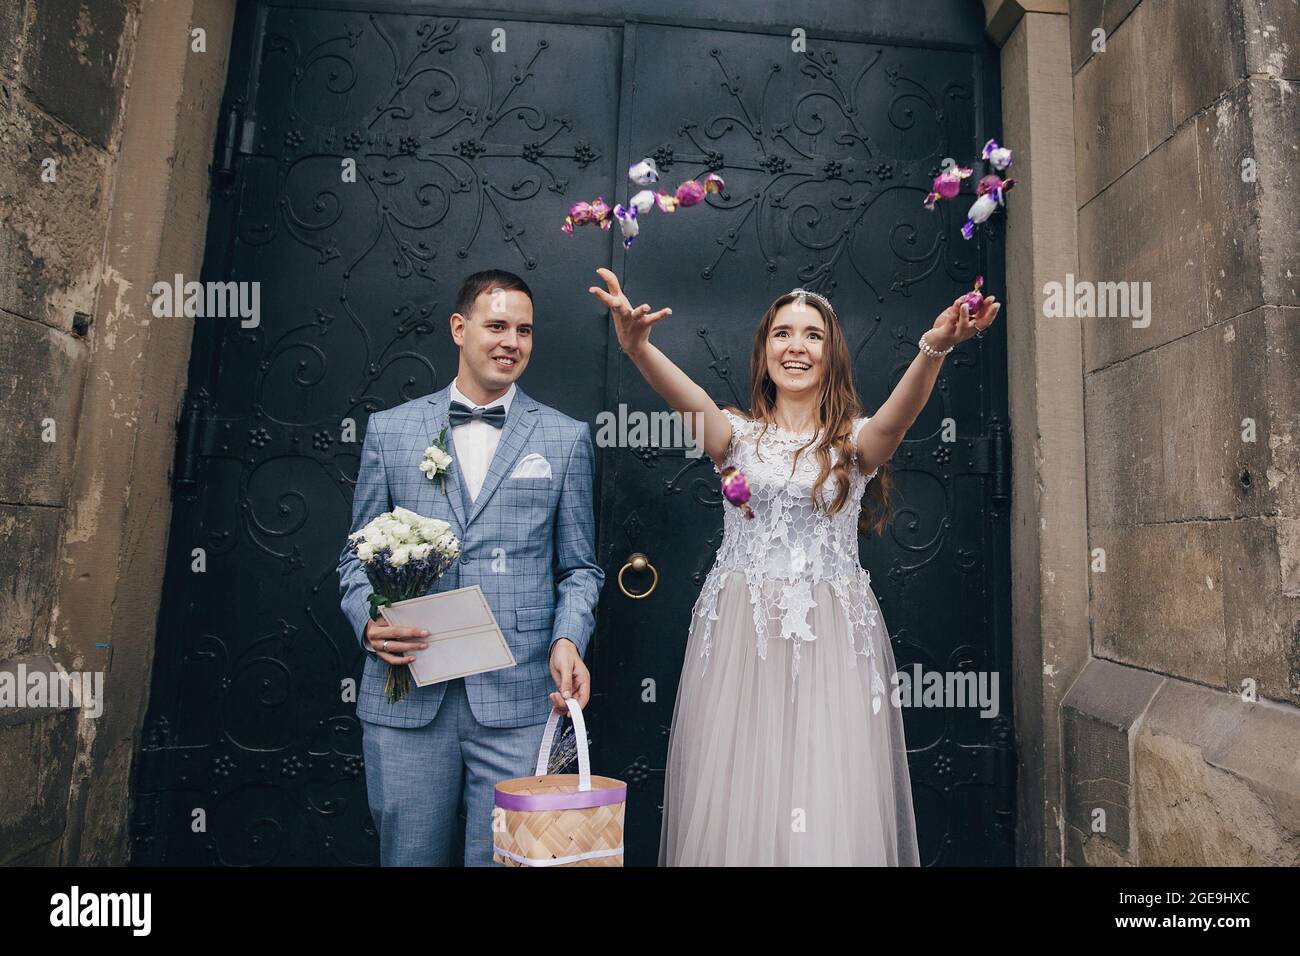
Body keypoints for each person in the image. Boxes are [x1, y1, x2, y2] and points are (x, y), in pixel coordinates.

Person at [589, 267, 999, 865]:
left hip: (830, 636)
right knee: (742, 780)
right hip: (742, 637)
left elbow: (899, 419)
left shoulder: (854, 444)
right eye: (783, 333)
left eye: (813, 335)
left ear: (831, 355)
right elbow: (686, 397)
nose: (797, 347)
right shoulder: (735, 436)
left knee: (823, 778)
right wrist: (639, 347)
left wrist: (934, 348)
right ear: (765, 352)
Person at [338, 270, 604, 866]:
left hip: (517, 698)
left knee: (507, 862)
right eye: (497, 326)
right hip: (406, 696)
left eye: (525, 330)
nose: (512, 341)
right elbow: (352, 557)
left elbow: (581, 568)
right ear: (460, 329)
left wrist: (569, 638)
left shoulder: (564, 439)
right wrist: (368, 621)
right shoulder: (391, 431)